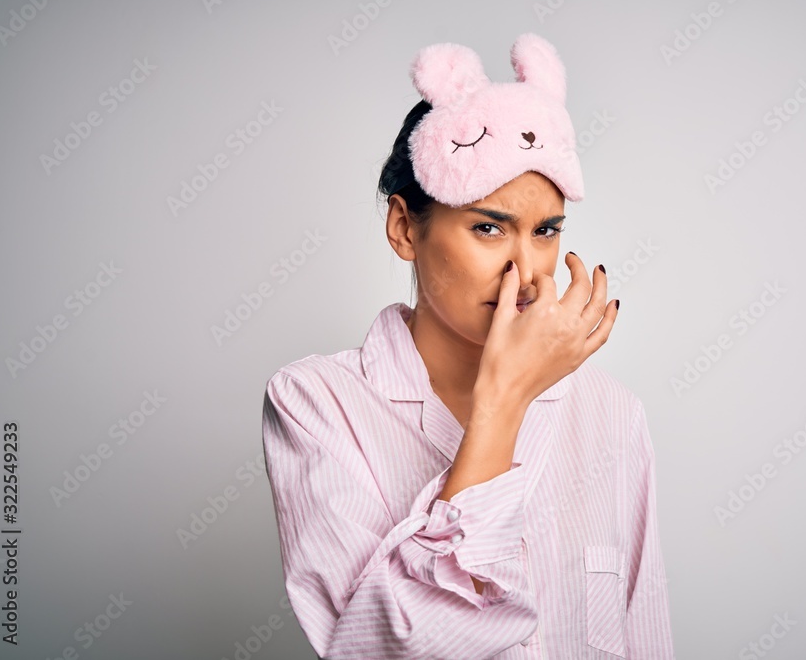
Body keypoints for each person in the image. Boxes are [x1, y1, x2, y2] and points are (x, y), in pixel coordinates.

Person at [261, 33, 675, 659]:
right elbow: (381, 650)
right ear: (405, 228)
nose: (527, 270)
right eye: (488, 227)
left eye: (546, 232)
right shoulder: (316, 404)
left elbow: (646, 637)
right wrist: (503, 402)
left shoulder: (613, 415)